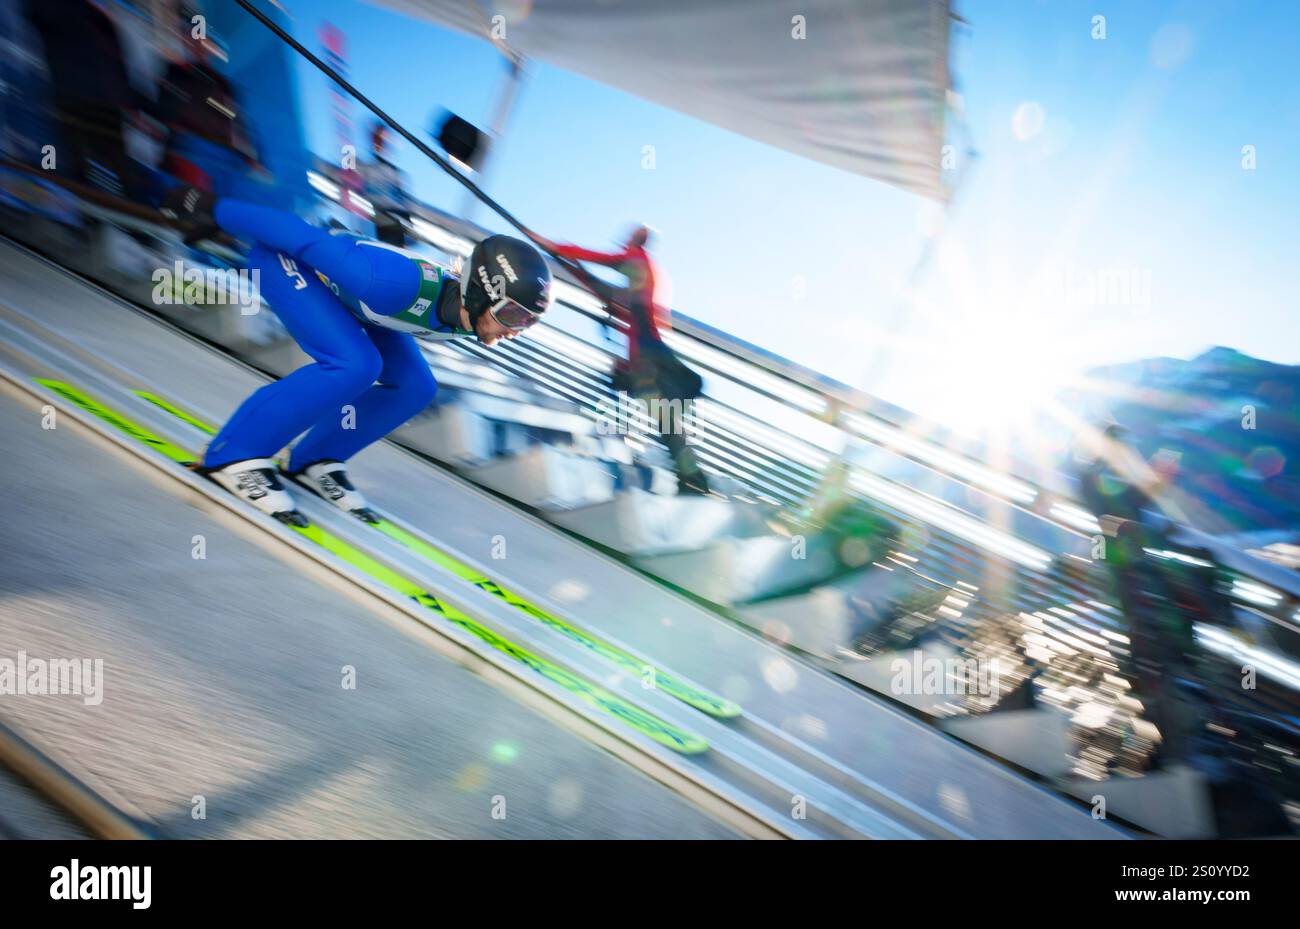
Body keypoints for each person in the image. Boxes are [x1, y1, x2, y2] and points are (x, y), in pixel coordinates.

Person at [159, 185, 551, 523]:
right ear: (482, 292)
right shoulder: (389, 283)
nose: (515, 330)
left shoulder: (462, 314)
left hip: (356, 301)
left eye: (528, 322)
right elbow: (302, 237)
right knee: (355, 366)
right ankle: (233, 455)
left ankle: (315, 458)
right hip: (285, 260)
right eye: (514, 314)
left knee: (416, 386)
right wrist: (211, 207)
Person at [534, 225, 709, 494]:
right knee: (664, 418)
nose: (625, 241)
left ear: (638, 241)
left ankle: (689, 478)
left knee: (661, 416)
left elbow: (601, 261)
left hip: (648, 359)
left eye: (631, 237)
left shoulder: (636, 259)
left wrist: (556, 248)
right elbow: (608, 294)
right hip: (649, 357)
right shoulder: (646, 278)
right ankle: (690, 477)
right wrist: (571, 263)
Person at [356, 122, 413, 246]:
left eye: (383, 138)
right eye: (377, 137)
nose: (380, 142)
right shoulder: (364, 169)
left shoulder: (396, 174)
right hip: (376, 225)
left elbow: (405, 204)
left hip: (394, 224)